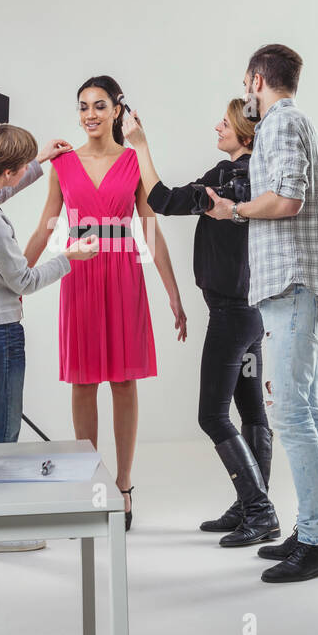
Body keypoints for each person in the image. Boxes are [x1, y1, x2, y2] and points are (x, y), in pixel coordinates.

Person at [25, 76, 187, 531]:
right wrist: (15, 280)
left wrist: (173, 293)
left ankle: (124, 483)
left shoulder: (133, 161)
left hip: (123, 275)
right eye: (82, 107)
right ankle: (88, 482)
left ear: (118, 109)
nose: (89, 115)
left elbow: (152, 231)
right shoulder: (64, 163)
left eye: (99, 106)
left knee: (123, 382)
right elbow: (44, 229)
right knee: (82, 382)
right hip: (79, 272)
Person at [205, 44, 318, 583]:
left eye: (246, 84)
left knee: (291, 413)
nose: (245, 95)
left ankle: (317, 542)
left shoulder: (282, 123)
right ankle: (313, 531)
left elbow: (287, 200)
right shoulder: (294, 123)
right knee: (307, 409)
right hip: (296, 284)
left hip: (293, 283)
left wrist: (233, 209)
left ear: (259, 80)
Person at [123, 99, 278, 547]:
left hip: (230, 315)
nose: (217, 128)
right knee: (250, 411)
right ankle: (254, 501)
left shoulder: (226, 178)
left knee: (212, 415)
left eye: (224, 124)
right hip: (253, 314)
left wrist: (140, 145)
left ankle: (259, 509)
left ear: (244, 135)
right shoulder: (263, 178)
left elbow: (162, 200)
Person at [0, 123, 99, 554]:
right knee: (3, 433)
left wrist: (39, 162)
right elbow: (25, 280)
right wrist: (69, 257)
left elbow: (1, 191)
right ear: (7, 170)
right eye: (20, 170)